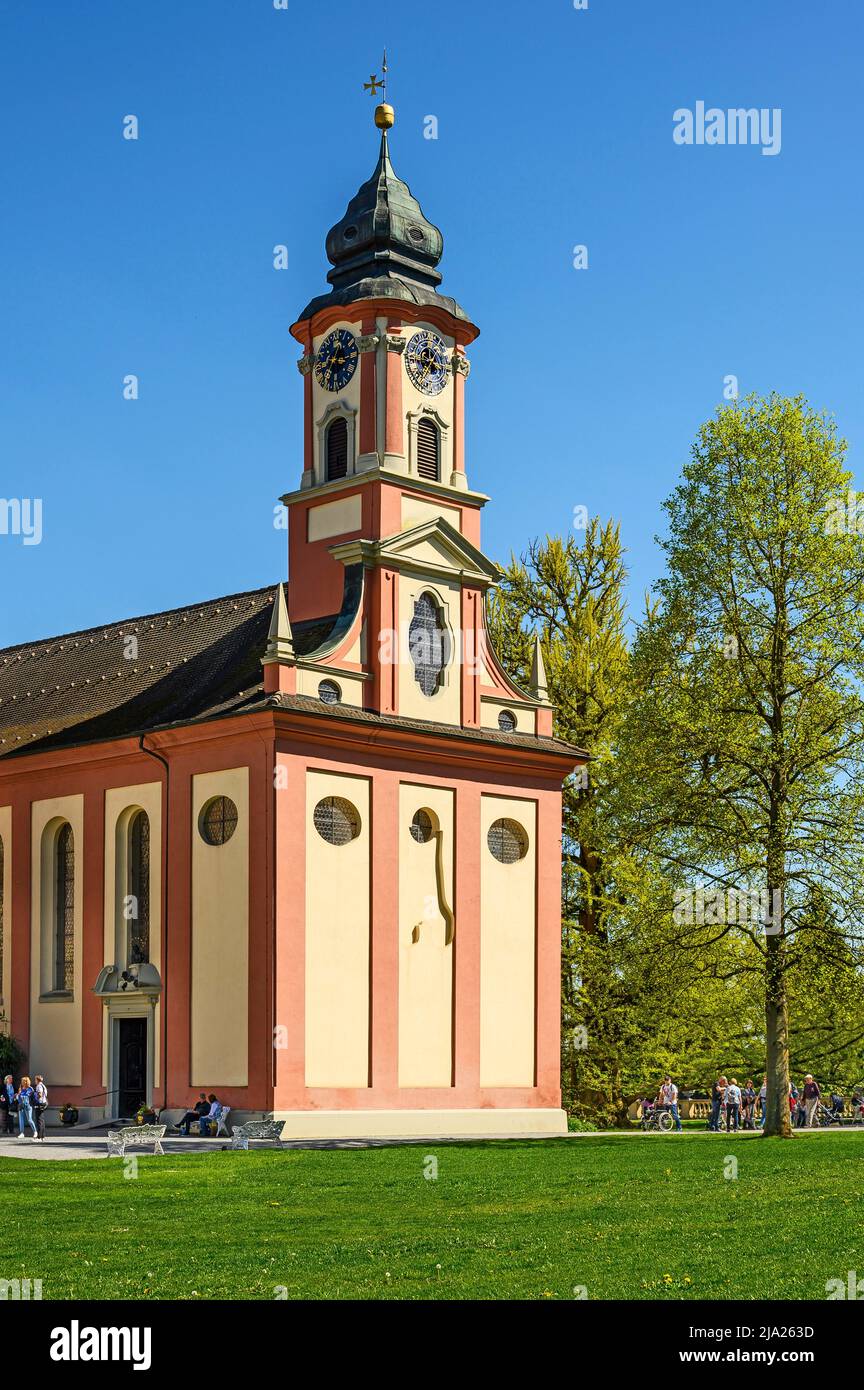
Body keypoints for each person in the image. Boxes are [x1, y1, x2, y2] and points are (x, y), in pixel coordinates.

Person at [15, 1076, 38, 1141]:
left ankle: (35, 1132)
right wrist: (18, 1095)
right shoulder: (21, 1089)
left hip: (28, 1106)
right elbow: (18, 1098)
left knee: (29, 1119)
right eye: (22, 1081)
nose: (22, 1082)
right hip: (21, 1106)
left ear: (26, 1082)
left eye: (23, 1081)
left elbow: (33, 1097)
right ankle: (22, 1133)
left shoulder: (30, 1089)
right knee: (21, 1120)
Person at [32, 1076, 48, 1143]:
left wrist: (35, 1099)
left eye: (35, 1080)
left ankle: (39, 1137)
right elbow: (45, 1095)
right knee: (42, 1120)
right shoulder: (43, 1085)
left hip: (39, 1104)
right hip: (44, 1103)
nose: (35, 1081)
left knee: (39, 1121)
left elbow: (40, 1094)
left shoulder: (38, 1086)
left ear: (37, 1080)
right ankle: (43, 1136)